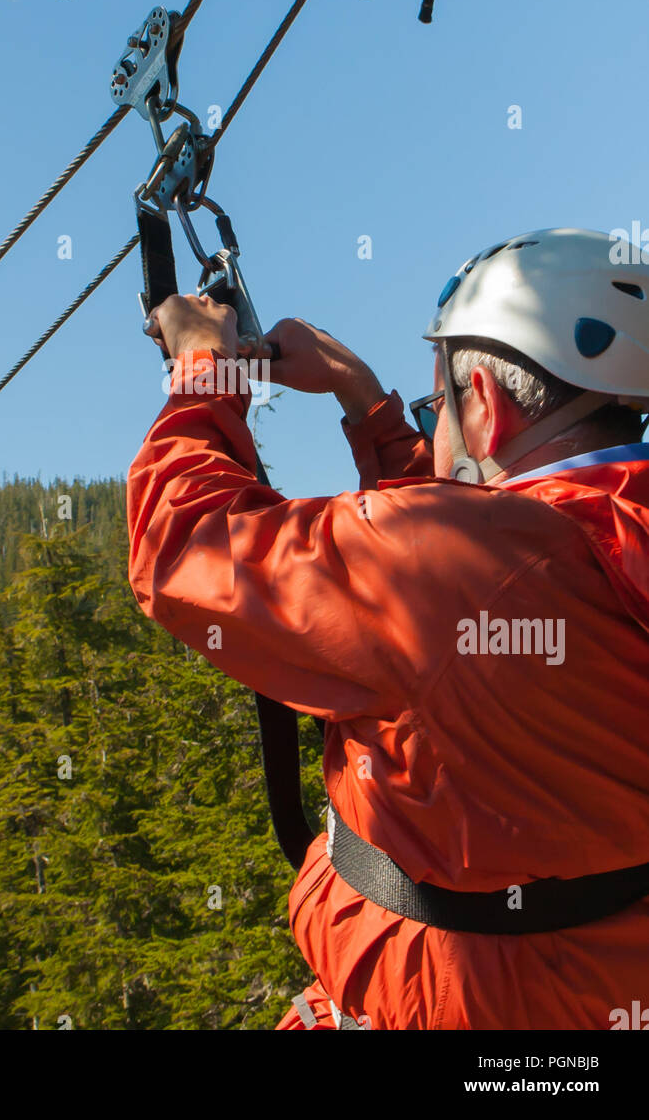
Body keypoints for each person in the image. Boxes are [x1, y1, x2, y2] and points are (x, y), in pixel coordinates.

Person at [126, 228, 649, 1029]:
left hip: (460, 1006)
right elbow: (461, 593)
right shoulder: (606, 538)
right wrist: (361, 398)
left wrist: (208, 371)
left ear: (489, 404)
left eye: (435, 404)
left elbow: (182, 548)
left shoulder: (463, 570)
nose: (429, 423)